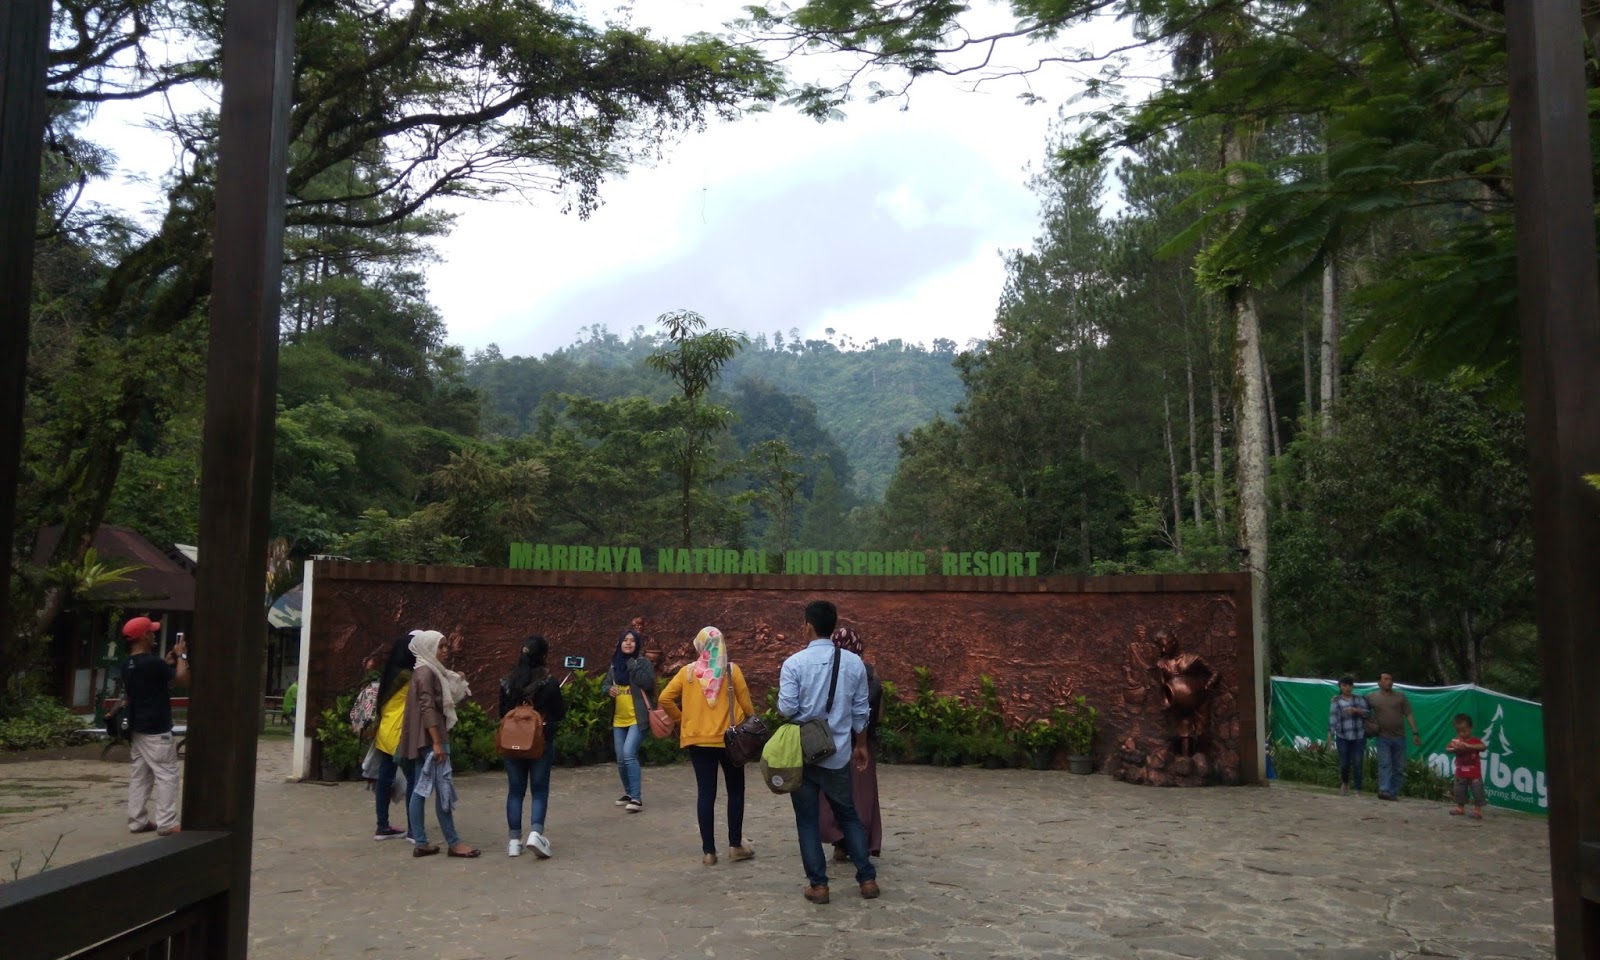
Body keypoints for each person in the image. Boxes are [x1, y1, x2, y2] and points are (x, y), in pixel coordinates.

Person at [778, 601, 878, 904]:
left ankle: (819, 886)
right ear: (833, 626)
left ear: (808, 625)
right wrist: (861, 745)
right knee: (848, 814)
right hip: (837, 753)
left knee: (807, 819)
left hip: (804, 753)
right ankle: (867, 879)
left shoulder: (793, 664)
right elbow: (862, 710)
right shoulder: (853, 663)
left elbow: (786, 709)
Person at [659, 626, 756, 867]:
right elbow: (748, 706)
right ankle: (735, 845)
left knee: (706, 794)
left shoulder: (687, 673)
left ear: (700, 646)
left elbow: (664, 699)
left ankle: (709, 853)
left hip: (697, 741)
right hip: (729, 740)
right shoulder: (732, 671)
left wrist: (683, 720)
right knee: (735, 791)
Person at [396, 630, 479, 858]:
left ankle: (421, 841)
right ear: (427, 648)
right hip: (431, 740)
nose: (445, 651)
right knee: (443, 788)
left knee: (420, 790)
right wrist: (437, 742)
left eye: (445, 646)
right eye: (440, 647)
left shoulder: (429, 671)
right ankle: (453, 843)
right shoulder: (425, 672)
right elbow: (428, 708)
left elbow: (443, 699)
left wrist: (457, 680)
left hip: (424, 739)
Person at [818, 626, 883, 861]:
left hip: (832, 742)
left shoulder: (826, 672)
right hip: (861, 743)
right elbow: (874, 715)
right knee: (861, 796)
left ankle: (840, 841)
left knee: (833, 795)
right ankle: (860, 844)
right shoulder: (869, 677)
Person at [499, 636, 566, 858]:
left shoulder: (507, 682)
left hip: (511, 744)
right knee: (539, 790)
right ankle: (535, 834)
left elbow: (501, 713)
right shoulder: (549, 682)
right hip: (540, 741)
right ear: (543, 655)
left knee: (515, 791)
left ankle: (513, 842)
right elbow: (560, 713)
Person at [121, 616, 187, 836]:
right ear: (142, 636)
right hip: (156, 728)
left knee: (140, 775)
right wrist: (181, 656)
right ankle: (167, 822)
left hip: (136, 726)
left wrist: (168, 661)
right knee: (167, 774)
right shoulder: (153, 663)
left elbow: (154, 675)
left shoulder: (128, 664)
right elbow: (180, 678)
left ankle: (137, 820)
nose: (154, 634)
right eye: (151, 632)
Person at [369, 635, 415, 841]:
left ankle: (382, 825)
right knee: (414, 780)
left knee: (384, 780)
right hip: (400, 734)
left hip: (384, 732)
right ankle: (415, 828)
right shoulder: (409, 676)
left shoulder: (390, 673)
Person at [606, 627, 656, 813]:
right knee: (620, 759)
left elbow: (648, 683)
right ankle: (628, 793)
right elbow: (605, 684)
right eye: (625, 640)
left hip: (638, 717)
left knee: (629, 753)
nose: (628, 643)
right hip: (619, 719)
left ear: (637, 644)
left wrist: (633, 665)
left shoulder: (642, 662)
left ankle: (636, 798)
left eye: (632, 640)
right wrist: (607, 690)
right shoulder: (614, 664)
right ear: (620, 643)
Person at [1366, 672, 1423, 801]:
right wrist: (1338, 697)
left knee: (1399, 767)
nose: (1389, 681)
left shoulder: (1400, 697)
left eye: (1391, 679)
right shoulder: (1371, 697)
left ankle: (1392, 793)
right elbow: (1360, 706)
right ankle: (1384, 790)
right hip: (1382, 737)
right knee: (1384, 764)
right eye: (1385, 679)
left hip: (1399, 738)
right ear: (1379, 683)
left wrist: (1415, 733)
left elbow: (1409, 714)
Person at [1327, 676, 1371, 797]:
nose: (1347, 688)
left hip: (1359, 736)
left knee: (1357, 762)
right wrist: (1330, 736)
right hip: (1342, 736)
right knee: (1344, 763)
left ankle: (1358, 789)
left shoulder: (1359, 699)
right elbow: (1333, 718)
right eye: (1344, 685)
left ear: (1353, 686)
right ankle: (1345, 783)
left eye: (1349, 685)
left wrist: (1357, 710)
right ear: (1340, 687)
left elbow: (1368, 713)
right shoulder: (1336, 701)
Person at [1447, 713, 1488, 820]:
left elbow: (1483, 747)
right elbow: (1447, 749)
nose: (1461, 734)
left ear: (1471, 728)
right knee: (1459, 790)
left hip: (1474, 773)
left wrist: (1469, 746)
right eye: (1458, 731)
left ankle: (1477, 810)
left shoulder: (1474, 740)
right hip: (1460, 772)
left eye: (1464, 731)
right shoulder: (1456, 741)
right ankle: (1460, 808)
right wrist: (1455, 749)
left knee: (1477, 791)